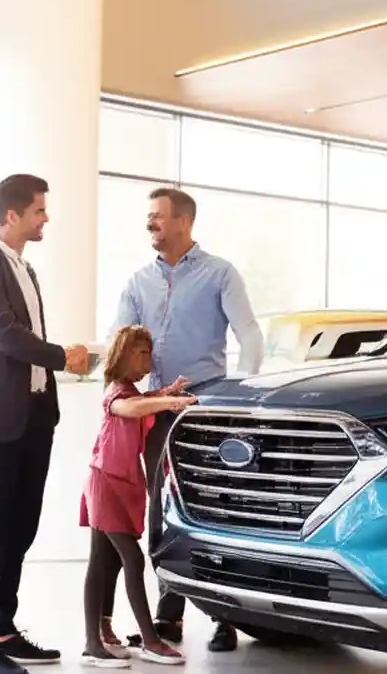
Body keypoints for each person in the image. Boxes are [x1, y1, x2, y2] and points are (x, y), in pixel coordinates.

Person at [105, 187, 264, 653]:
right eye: (148, 216)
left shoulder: (220, 274)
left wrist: (246, 397)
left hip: (205, 408)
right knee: (165, 511)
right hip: (155, 410)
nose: (150, 223)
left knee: (220, 511)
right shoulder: (138, 282)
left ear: (184, 222)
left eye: (157, 216)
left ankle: (227, 617)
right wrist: (117, 397)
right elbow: (118, 343)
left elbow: (249, 335)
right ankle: (168, 618)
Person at [0, 173, 92, 674]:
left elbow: (25, 339)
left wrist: (59, 362)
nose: (46, 218)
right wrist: (64, 358)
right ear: (12, 215)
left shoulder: (24, 269)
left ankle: (4, 627)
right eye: (39, 210)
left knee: (20, 528)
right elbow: (6, 336)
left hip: (33, 416)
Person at [80, 325, 194, 668]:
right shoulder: (116, 392)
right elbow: (129, 409)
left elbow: (141, 402)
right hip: (107, 485)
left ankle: (96, 638)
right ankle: (150, 640)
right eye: (141, 353)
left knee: (105, 562)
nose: (149, 359)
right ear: (123, 355)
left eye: (149, 353)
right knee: (131, 559)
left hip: (119, 484)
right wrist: (172, 400)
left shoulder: (130, 390)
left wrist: (164, 391)